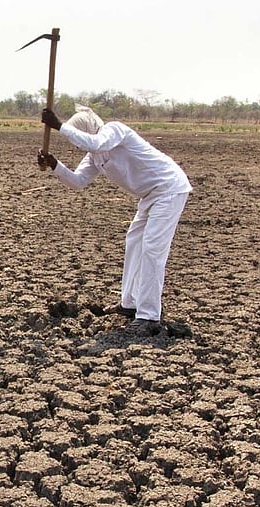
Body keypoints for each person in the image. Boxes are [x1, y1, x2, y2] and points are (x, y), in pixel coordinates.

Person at [38, 105, 191, 335]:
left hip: (169, 189)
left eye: (80, 139)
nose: (79, 145)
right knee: (133, 243)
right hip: (150, 196)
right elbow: (78, 181)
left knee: (152, 249)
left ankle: (149, 316)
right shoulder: (94, 157)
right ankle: (129, 304)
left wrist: (59, 125)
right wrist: (54, 165)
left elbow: (96, 143)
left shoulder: (114, 130)